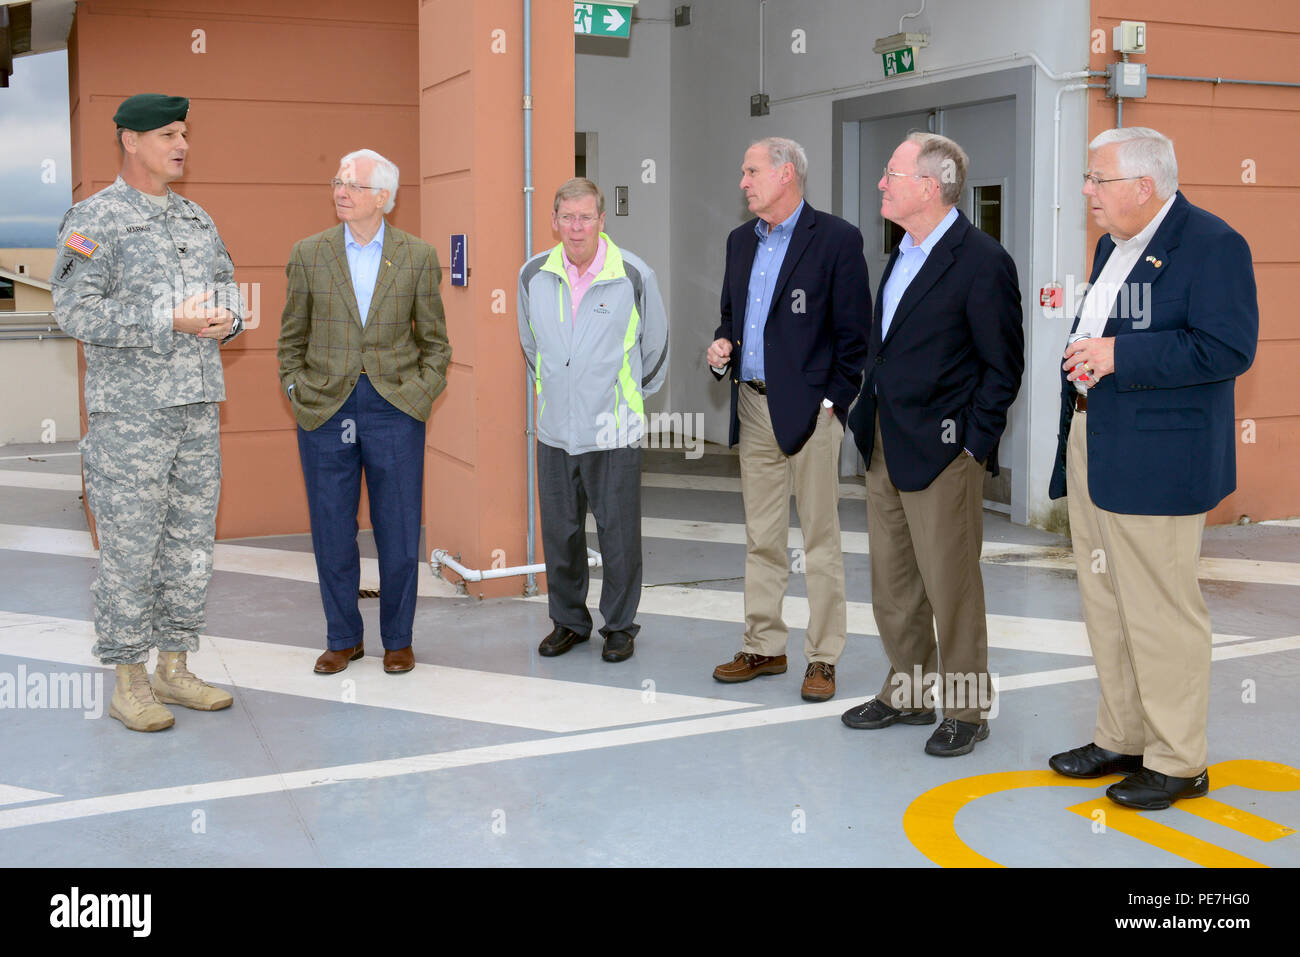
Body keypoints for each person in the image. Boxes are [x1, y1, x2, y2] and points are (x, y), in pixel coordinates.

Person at [1046, 127, 1257, 809]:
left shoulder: (1213, 244)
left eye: (1096, 180)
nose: (1087, 192)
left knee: (1162, 611)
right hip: (1095, 441)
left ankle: (1177, 760)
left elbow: (1226, 347)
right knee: (1106, 602)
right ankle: (1124, 735)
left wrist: (1118, 359)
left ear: (1145, 186)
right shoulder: (1113, 245)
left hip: (1161, 460)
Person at [51, 93, 244, 732]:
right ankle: (128, 681)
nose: (181, 144)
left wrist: (227, 319)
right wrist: (169, 319)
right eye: (167, 134)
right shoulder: (95, 217)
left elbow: (228, 293)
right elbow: (75, 311)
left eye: (184, 133)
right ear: (130, 141)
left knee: (190, 545)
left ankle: (174, 666)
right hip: (129, 418)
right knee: (131, 550)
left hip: (196, 409)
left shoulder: (197, 219)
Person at [841, 132, 1024, 756]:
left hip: (946, 453)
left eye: (891, 172)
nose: (881, 183)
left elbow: (1003, 367)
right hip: (886, 444)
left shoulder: (981, 260)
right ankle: (910, 692)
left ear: (930, 184)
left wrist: (972, 445)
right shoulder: (901, 253)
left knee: (952, 587)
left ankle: (968, 711)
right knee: (893, 585)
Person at [706, 137, 870, 701]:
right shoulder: (738, 242)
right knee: (762, 536)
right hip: (753, 404)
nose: (744, 182)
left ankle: (823, 658)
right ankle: (763, 645)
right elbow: (732, 315)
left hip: (812, 412)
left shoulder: (838, 241)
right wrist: (723, 344)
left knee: (821, 539)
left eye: (752, 171)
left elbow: (856, 339)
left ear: (786, 175)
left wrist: (832, 404)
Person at [277, 149, 451, 676]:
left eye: (352, 184)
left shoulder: (418, 256)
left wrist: (418, 397)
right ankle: (343, 638)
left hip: (395, 408)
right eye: (336, 181)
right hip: (325, 408)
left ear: (383, 197)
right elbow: (290, 340)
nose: (340, 191)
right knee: (332, 528)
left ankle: (398, 639)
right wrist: (297, 390)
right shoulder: (308, 254)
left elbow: (437, 345)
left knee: (398, 529)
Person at [517, 178, 668, 662]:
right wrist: (559, 396)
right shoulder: (532, 275)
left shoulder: (634, 275)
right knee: (560, 534)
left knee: (618, 534)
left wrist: (623, 400)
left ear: (603, 220)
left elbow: (656, 350)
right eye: (567, 217)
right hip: (556, 430)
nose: (576, 227)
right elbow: (531, 347)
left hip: (613, 430)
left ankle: (620, 626)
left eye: (586, 217)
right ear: (554, 221)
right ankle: (568, 622)